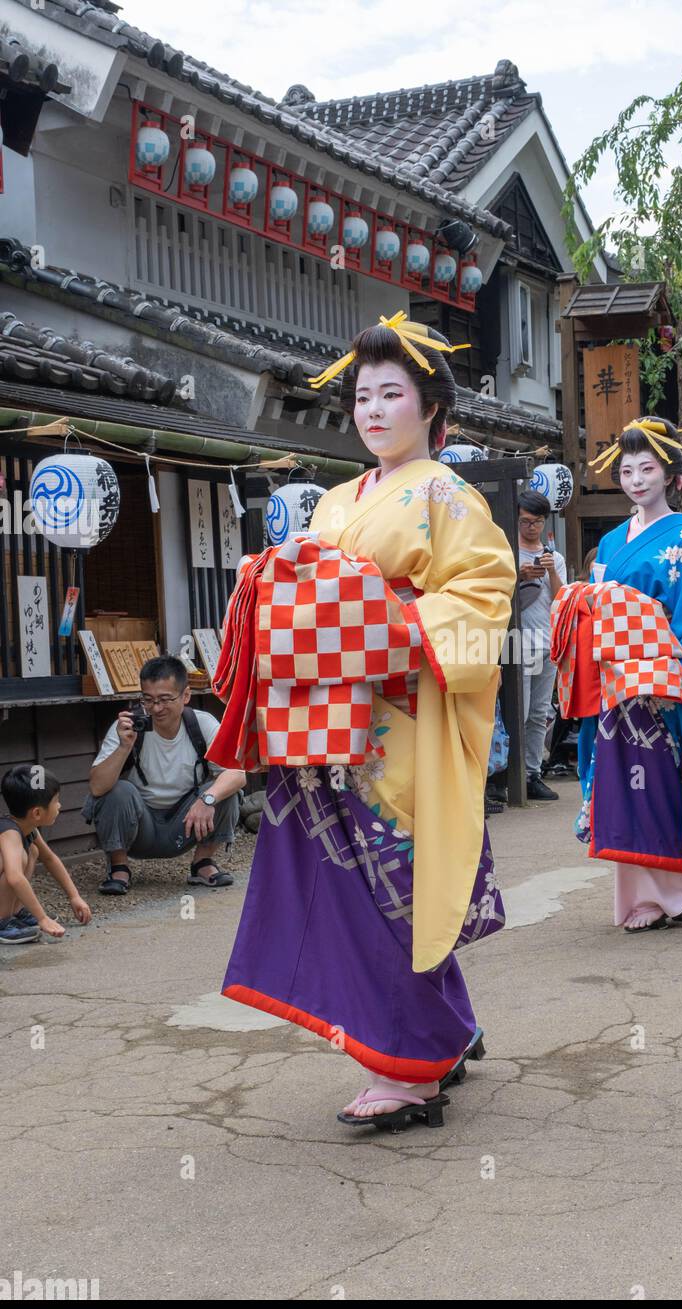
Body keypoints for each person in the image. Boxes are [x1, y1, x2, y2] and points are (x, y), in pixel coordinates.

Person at [217, 311, 517, 1131]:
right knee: (350, 882)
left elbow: (486, 596)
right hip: (322, 722)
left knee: (395, 886)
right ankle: (442, 1031)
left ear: (432, 412)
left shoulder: (448, 494)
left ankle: (409, 1067)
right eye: (362, 396)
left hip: (400, 716)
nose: (374, 410)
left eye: (393, 394)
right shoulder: (337, 501)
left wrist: (390, 625)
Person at [575, 416, 682, 932]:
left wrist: (677, 675)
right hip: (616, 679)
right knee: (625, 786)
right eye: (628, 470)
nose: (636, 480)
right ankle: (654, 893)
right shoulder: (612, 542)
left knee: (661, 783)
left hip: (658, 683)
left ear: (670, 476)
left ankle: (672, 893)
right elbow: (596, 607)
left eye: (647, 469)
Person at [84, 655, 245, 895]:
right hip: (140, 825)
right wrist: (123, 747)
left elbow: (238, 772)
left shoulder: (202, 724)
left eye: (165, 699)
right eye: (147, 700)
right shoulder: (129, 727)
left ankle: (203, 862)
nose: (156, 708)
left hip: (187, 821)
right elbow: (97, 787)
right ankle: (119, 867)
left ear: (186, 696)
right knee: (117, 790)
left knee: (224, 790)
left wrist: (207, 799)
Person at [1, 766, 91, 945]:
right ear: (36, 813)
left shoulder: (29, 829)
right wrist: (42, 918)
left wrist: (74, 896)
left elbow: (50, 858)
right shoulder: (9, 833)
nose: (60, 806)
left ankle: (14, 912)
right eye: (56, 801)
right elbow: (15, 878)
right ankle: (2, 922)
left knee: (33, 851)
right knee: (21, 858)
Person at [517, 489, 567, 801]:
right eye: (524, 521)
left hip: (546, 643)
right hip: (515, 643)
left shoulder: (555, 557)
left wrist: (548, 570)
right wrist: (519, 575)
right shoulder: (507, 553)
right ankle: (510, 773)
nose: (530, 528)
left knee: (538, 713)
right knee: (518, 713)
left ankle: (532, 772)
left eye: (536, 522)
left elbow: (562, 597)